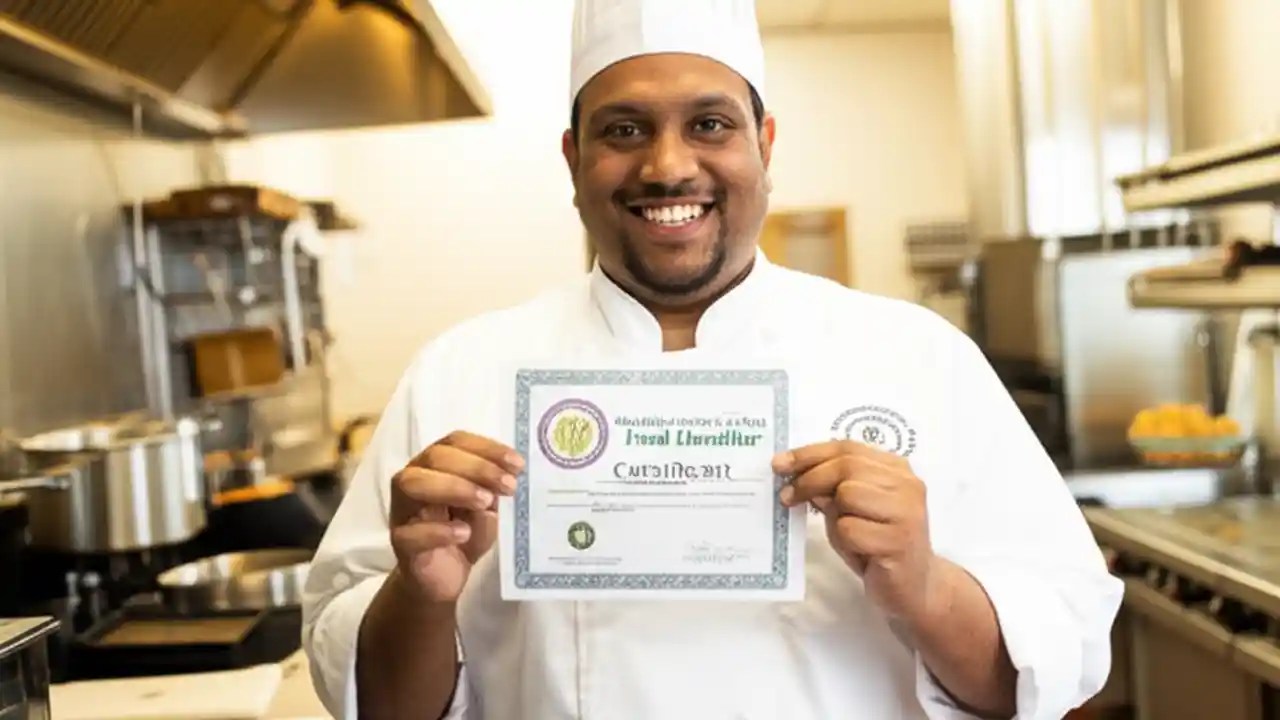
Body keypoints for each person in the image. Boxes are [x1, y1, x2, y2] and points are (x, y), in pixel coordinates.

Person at [301, 0, 1124, 717]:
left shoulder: (918, 358)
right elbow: (373, 704)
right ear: (572, 159)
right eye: (624, 130)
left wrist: (923, 584)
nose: (668, 166)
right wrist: (419, 594)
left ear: (764, 144)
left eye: (710, 124)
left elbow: (1045, 676)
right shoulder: (460, 374)